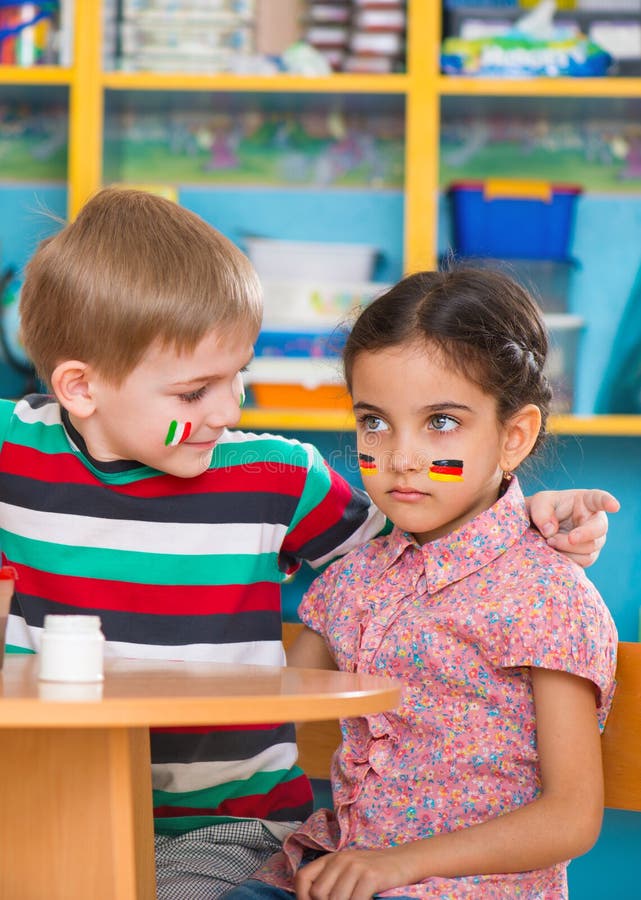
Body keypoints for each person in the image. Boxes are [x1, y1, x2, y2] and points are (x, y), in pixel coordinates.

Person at [0, 190, 616, 900]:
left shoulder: (276, 477)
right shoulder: (15, 450)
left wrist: (529, 511)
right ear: (79, 387)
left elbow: (429, 531)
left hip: (224, 824)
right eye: (195, 391)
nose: (230, 410)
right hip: (39, 796)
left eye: (239, 376)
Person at [228, 267, 619, 900]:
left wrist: (396, 865)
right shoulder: (354, 579)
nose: (401, 457)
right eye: (375, 422)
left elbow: (571, 817)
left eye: (440, 423)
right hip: (340, 877)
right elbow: (272, 712)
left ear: (513, 437)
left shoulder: (549, 596)